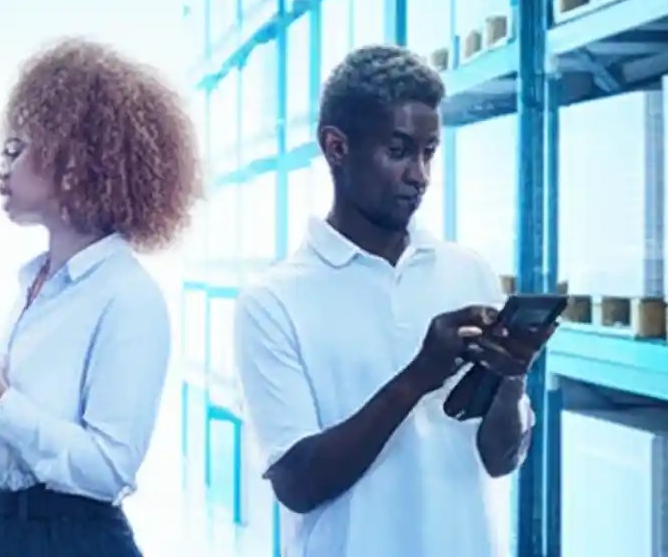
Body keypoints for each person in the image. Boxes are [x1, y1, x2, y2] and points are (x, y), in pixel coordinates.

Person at [233, 45, 557, 557]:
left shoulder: (466, 271)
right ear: (336, 147)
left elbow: (502, 459)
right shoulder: (272, 301)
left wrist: (512, 379)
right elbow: (297, 484)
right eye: (400, 150)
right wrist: (418, 376)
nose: (420, 175)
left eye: (429, 152)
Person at [0, 37, 202, 557]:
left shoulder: (128, 297)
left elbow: (108, 471)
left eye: (16, 150)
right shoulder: (34, 282)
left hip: (73, 541)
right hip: (2, 528)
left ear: (77, 165)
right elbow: (4, 438)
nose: (1, 167)